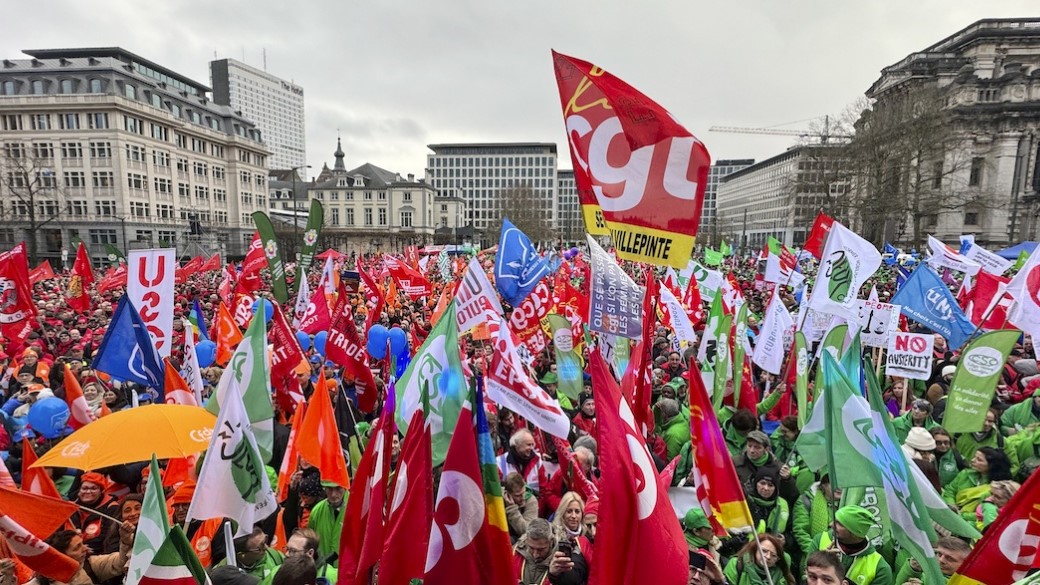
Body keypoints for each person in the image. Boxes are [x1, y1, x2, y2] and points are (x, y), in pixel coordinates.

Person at [812, 505, 893, 585]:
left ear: (855, 533)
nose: (831, 524)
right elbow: (805, 577)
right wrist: (821, 561)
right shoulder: (820, 539)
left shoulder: (880, 568)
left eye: (839, 523)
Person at [32, 524, 135, 585]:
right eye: (77, 548)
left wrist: (125, 541)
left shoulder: (91, 564)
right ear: (62, 556)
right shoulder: (43, 581)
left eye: (82, 544)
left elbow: (121, 562)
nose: (84, 549)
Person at [942, 447, 1014, 521]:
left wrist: (961, 515)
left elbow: (990, 513)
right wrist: (951, 505)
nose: (973, 460)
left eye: (979, 460)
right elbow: (950, 491)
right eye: (974, 457)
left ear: (992, 465)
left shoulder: (1000, 488)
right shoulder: (965, 474)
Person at [512, 518, 588, 585]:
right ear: (526, 540)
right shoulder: (515, 552)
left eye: (541, 549)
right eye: (531, 548)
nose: (535, 555)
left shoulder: (564, 558)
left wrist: (556, 575)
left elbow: (574, 580)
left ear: (551, 541)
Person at [793, 475, 841, 566]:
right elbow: (800, 531)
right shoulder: (806, 500)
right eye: (835, 483)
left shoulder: (848, 504)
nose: (839, 487)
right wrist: (817, 555)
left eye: (842, 483)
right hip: (813, 559)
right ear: (823, 484)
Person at [71, 472, 119, 554]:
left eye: (93, 488)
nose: (88, 491)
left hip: (100, 554)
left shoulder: (112, 507)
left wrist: (83, 548)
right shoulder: (71, 508)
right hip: (74, 551)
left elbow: (108, 537)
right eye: (84, 488)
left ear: (101, 491)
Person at [722, 533, 796, 585]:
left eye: (773, 555)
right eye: (764, 551)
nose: (768, 557)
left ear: (778, 559)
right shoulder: (737, 564)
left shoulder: (781, 573)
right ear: (755, 549)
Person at [497, 429, 544, 496]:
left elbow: (544, 489)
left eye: (532, 445)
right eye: (528, 445)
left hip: (534, 504)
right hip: (510, 504)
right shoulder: (499, 462)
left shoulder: (537, 460)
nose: (532, 448)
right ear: (517, 445)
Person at [307, 481, 346, 561]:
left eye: (338, 488)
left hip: (348, 570)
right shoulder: (316, 511)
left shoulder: (358, 510)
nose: (333, 494)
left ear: (345, 487)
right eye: (329, 489)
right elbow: (310, 543)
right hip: (323, 570)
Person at [746, 468, 789, 538]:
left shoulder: (781, 505)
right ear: (755, 483)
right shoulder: (746, 501)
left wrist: (784, 540)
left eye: (770, 485)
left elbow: (788, 531)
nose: (766, 488)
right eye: (762, 483)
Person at [504, 472, 540, 543]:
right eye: (518, 495)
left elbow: (527, 531)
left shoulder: (530, 500)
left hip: (524, 541)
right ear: (508, 494)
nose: (523, 497)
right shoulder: (499, 500)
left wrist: (512, 510)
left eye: (524, 492)